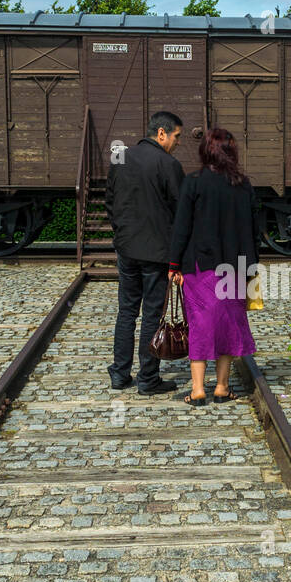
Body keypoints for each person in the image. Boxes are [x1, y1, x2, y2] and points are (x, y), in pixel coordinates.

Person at [167, 127, 258, 407]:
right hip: (235, 267)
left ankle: (197, 390)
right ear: (231, 152)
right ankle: (221, 387)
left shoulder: (193, 182)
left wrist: (173, 264)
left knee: (200, 325)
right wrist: (252, 271)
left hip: (200, 267)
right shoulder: (244, 185)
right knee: (228, 324)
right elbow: (253, 231)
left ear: (206, 150)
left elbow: (181, 226)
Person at [106, 111, 185, 394]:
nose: (178, 143)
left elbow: (110, 202)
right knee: (152, 314)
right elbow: (181, 213)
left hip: (126, 249)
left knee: (126, 311)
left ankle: (119, 373)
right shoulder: (169, 164)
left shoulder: (120, 157)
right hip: (156, 253)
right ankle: (148, 379)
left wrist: (120, 234)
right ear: (161, 133)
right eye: (176, 136)